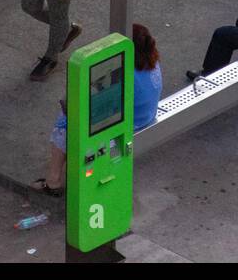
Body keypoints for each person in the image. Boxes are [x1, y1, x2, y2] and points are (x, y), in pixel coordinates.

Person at [30, 24, 162, 196]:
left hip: (127, 129)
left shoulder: (124, 74)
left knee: (65, 121)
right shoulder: (151, 61)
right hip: (146, 117)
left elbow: (97, 104)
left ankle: (53, 181)